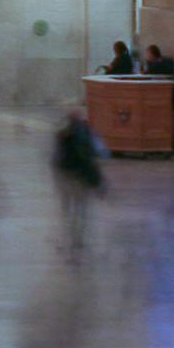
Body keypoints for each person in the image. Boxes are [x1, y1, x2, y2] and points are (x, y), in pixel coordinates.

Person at [53, 108, 107, 257]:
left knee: (70, 208)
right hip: (78, 177)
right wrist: (98, 183)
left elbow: (57, 159)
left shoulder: (62, 135)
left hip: (68, 176)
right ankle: (76, 238)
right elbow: (92, 156)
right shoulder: (84, 134)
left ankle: (72, 236)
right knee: (79, 209)